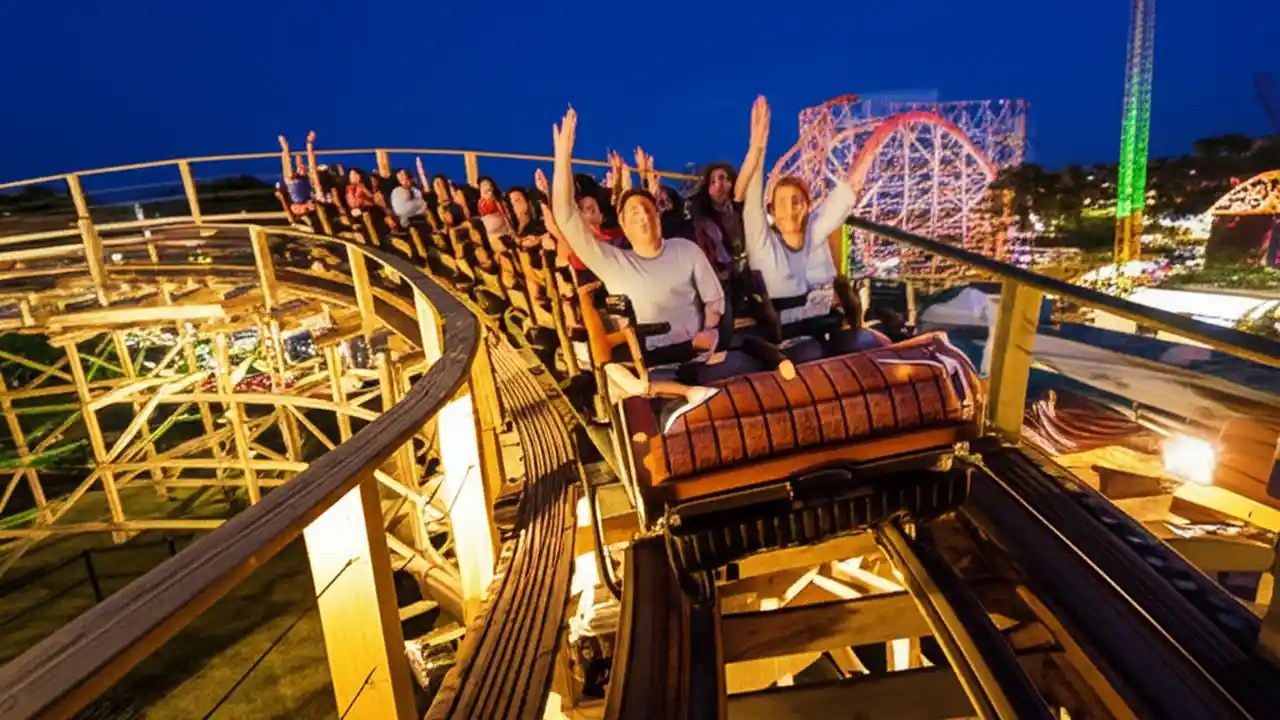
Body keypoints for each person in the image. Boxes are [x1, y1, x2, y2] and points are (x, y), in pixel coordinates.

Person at [551, 107, 774, 408]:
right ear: (624, 228)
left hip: (700, 356)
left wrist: (709, 330)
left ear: (659, 215)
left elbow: (714, 299)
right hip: (656, 365)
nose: (642, 215)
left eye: (648, 209)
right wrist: (563, 157)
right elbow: (565, 216)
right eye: (633, 212)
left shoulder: (685, 249)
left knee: (758, 383)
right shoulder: (614, 262)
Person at [739, 96, 888, 355]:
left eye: (797, 201)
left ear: (808, 206)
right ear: (771, 210)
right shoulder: (763, 244)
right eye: (782, 203)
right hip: (786, 339)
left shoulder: (814, 231)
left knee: (874, 342)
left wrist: (875, 143)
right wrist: (757, 149)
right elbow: (751, 202)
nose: (790, 209)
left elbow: (847, 192)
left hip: (824, 326)